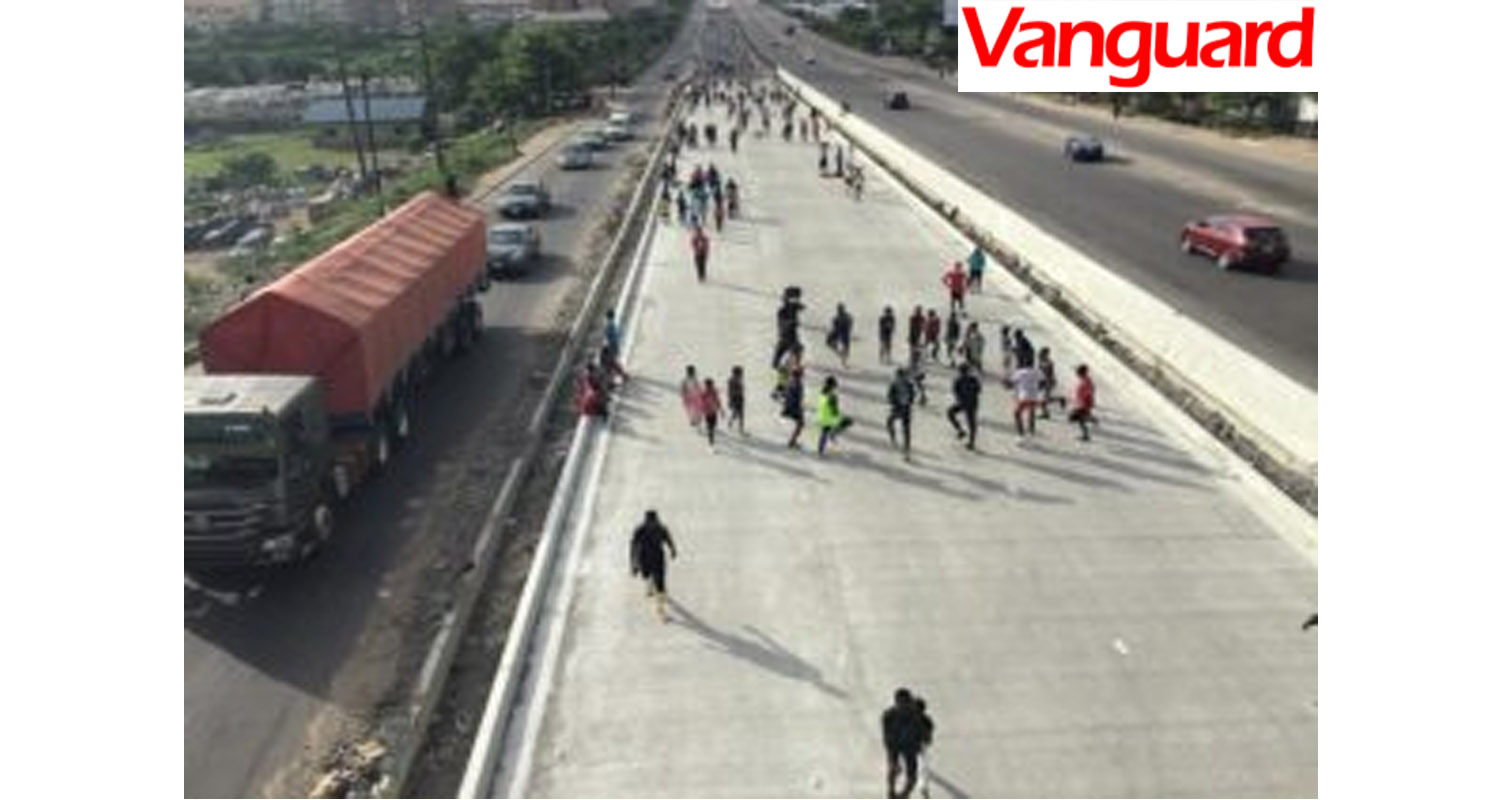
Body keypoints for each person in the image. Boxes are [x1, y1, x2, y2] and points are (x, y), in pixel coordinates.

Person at [629, 510, 678, 623]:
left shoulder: (648, 529)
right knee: (652, 579)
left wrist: (673, 549)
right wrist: (633, 564)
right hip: (650, 559)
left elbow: (668, 539)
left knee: (659, 585)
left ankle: (661, 611)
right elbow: (633, 547)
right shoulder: (648, 529)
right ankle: (651, 588)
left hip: (651, 559)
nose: (652, 524)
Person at [881, 688, 924, 799]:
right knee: (897, 771)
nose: (904, 705)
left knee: (908, 775)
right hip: (902, 746)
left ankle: (899, 794)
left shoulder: (890, 714)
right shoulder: (890, 715)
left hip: (907, 747)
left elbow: (922, 731)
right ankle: (896, 793)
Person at [947, 363, 982, 450]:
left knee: (950, 413)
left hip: (963, 402)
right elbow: (979, 390)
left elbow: (955, 391)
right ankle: (971, 442)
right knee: (972, 423)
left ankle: (960, 430)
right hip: (973, 403)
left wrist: (959, 399)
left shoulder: (958, 380)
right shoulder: (973, 379)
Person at [815, 375, 852, 456]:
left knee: (824, 433)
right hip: (829, 419)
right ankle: (833, 434)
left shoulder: (822, 393)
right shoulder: (832, 397)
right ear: (833, 386)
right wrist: (840, 417)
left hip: (821, 417)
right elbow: (835, 411)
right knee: (848, 421)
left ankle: (820, 450)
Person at [886, 367, 915, 461]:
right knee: (904, 429)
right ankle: (905, 449)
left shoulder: (895, 384)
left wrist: (895, 402)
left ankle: (903, 448)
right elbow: (912, 395)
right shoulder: (907, 384)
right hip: (904, 408)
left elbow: (890, 396)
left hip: (901, 408)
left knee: (897, 425)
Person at [1011, 361, 1043, 437]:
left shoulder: (1020, 372)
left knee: (1017, 413)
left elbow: (1012, 382)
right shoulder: (1037, 372)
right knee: (1031, 413)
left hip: (1024, 396)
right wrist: (1037, 389)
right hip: (1034, 396)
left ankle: (1020, 433)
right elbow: (1043, 382)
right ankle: (1031, 432)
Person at [913, 697, 936, 799]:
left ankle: (923, 786)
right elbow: (930, 731)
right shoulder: (927, 720)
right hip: (922, 745)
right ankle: (923, 786)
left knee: (920, 765)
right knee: (923, 765)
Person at [1068, 364, 1097, 441]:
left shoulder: (1086, 381)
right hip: (1080, 403)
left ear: (1082, 372)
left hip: (1084, 403)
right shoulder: (1083, 379)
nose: (1076, 373)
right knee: (1078, 419)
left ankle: (1089, 421)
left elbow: (1090, 392)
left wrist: (1086, 401)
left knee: (1075, 418)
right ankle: (1089, 420)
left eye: (1078, 372)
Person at [782, 367, 807, 449]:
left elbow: (786, 394)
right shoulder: (797, 383)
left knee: (800, 424)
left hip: (791, 405)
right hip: (795, 407)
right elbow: (797, 397)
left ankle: (793, 441)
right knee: (801, 424)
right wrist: (799, 408)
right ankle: (792, 442)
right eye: (802, 373)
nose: (804, 374)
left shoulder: (791, 381)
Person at [1037, 347, 1064, 418]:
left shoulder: (1049, 363)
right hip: (1043, 382)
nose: (1039, 355)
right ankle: (1060, 399)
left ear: (1046, 354)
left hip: (1048, 382)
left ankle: (1045, 414)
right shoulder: (1041, 361)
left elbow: (1050, 374)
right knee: (1046, 399)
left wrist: (1047, 383)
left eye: (1042, 354)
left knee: (1043, 399)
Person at [827, 303, 853, 367]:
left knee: (845, 349)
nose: (838, 310)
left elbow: (850, 324)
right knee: (831, 343)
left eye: (839, 309)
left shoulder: (844, 317)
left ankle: (844, 361)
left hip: (843, 333)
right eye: (839, 309)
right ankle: (843, 359)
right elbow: (835, 326)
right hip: (841, 333)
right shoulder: (839, 317)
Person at [681, 365, 705, 432]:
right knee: (693, 411)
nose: (691, 373)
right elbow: (683, 389)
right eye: (691, 372)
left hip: (693, 397)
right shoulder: (688, 380)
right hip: (692, 397)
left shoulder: (690, 380)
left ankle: (696, 423)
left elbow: (698, 387)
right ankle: (695, 422)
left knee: (695, 411)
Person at [701, 378, 723, 447]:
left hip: (713, 411)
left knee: (713, 425)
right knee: (711, 427)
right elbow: (701, 402)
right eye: (710, 385)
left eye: (711, 385)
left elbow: (717, 401)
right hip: (708, 412)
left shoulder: (714, 392)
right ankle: (711, 443)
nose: (711, 386)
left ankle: (710, 433)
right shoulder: (704, 393)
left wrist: (721, 410)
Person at [727, 365, 746, 435]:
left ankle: (738, 427)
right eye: (741, 373)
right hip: (735, 399)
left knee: (739, 414)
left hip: (740, 398)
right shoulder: (731, 381)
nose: (742, 374)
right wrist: (730, 400)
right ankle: (733, 425)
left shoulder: (739, 380)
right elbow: (730, 391)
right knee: (737, 414)